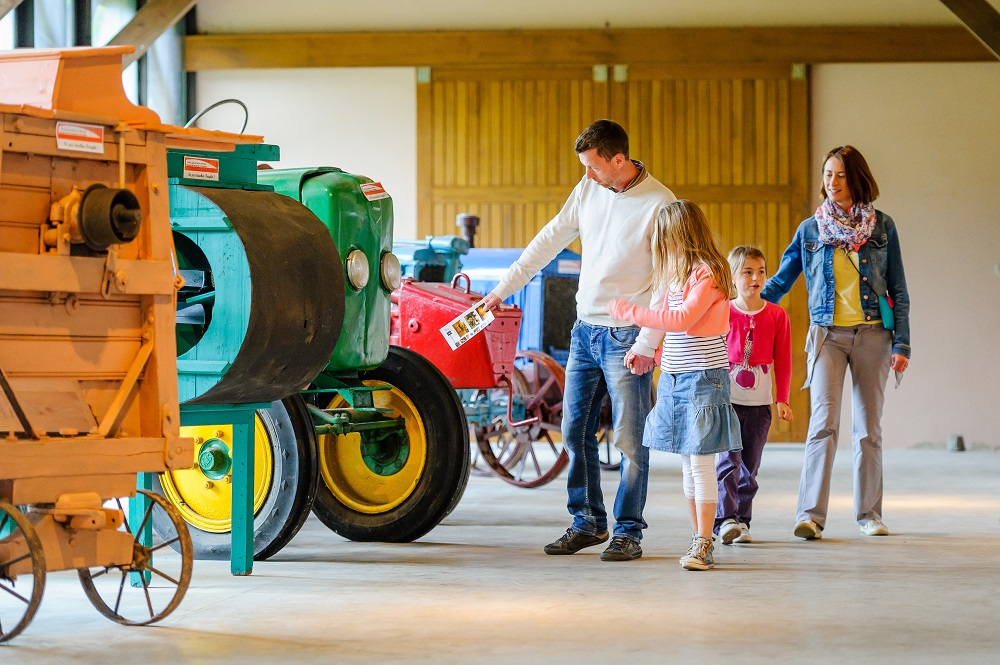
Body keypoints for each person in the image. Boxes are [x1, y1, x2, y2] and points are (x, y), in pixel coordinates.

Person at [481, 119, 675, 562]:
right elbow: (550, 238)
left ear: (619, 160)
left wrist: (648, 343)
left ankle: (629, 532)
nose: (586, 175)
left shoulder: (661, 204)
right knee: (573, 431)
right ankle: (587, 521)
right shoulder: (589, 188)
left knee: (630, 439)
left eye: (593, 166)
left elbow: (668, 281)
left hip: (627, 338)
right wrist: (502, 289)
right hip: (583, 331)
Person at [761, 145, 910, 540]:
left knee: (868, 429)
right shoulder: (811, 229)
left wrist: (903, 344)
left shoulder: (882, 228)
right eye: (828, 174)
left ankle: (869, 516)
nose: (832, 183)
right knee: (823, 425)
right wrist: (744, 306)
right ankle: (810, 515)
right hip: (827, 336)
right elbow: (780, 280)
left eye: (841, 175)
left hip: (875, 335)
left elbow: (898, 288)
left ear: (857, 178)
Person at [608, 199, 741, 571]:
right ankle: (697, 537)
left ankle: (704, 542)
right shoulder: (676, 275)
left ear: (682, 234)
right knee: (687, 463)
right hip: (674, 378)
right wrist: (642, 347)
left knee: (700, 463)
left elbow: (681, 319)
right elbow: (661, 321)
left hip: (704, 379)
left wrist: (628, 312)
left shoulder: (708, 272)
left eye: (666, 238)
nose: (662, 246)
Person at [715, 246, 793, 546]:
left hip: (760, 406)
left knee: (750, 467)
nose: (755, 278)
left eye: (761, 272)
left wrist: (782, 399)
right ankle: (725, 521)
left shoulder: (777, 315)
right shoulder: (723, 310)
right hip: (728, 403)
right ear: (734, 277)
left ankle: (742, 521)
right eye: (747, 272)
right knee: (727, 463)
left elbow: (784, 359)